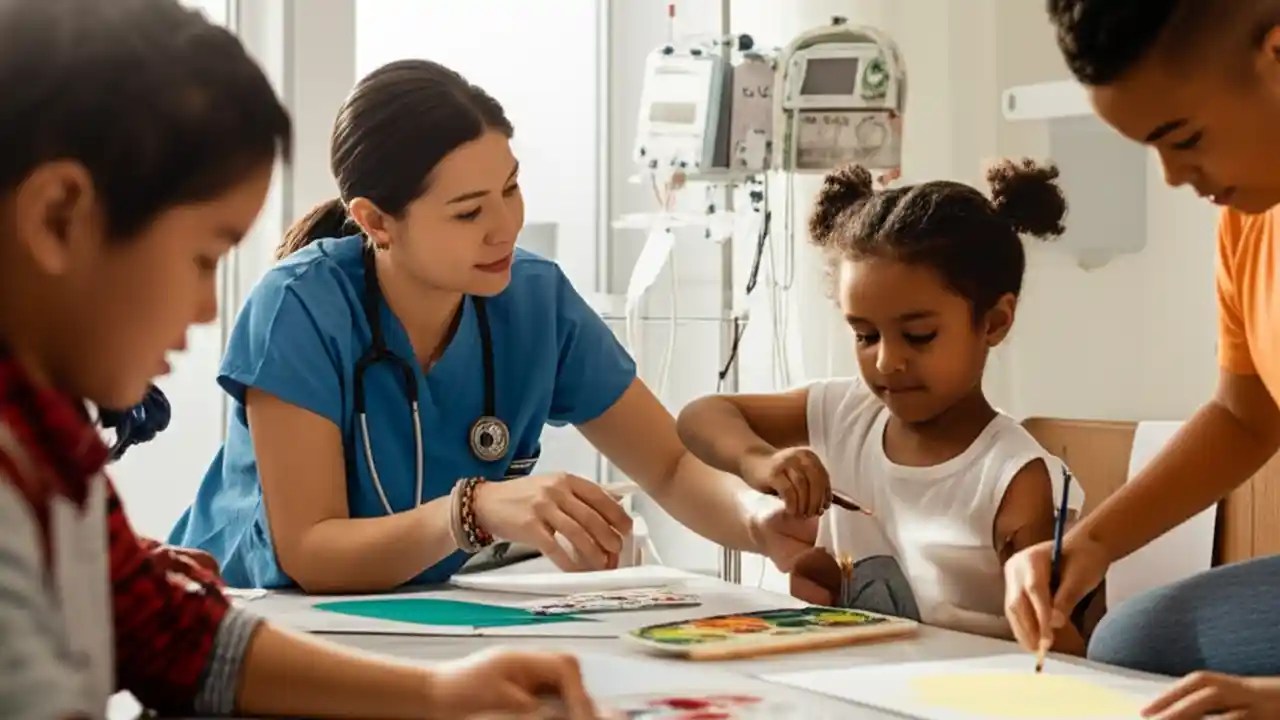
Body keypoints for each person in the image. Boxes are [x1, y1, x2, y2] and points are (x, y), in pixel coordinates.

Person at [0, 1, 602, 717]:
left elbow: (171, 636)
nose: (203, 309)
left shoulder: (48, 446)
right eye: (202, 259)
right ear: (57, 218)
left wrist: (442, 692)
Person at [169, 57, 810, 592]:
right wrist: (474, 510)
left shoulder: (533, 302)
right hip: (250, 615)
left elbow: (669, 465)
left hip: (409, 621)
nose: (505, 226)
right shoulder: (301, 309)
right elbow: (311, 550)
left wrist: (756, 520)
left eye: (511, 189)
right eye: (468, 211)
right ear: (375, 221)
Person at [677, 160, 1088, 648]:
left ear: (995, 322)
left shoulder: (1014, 477)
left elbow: (1061, 652)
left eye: (918, 336)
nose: (887, 361)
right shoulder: (843, 411)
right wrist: (760, 461)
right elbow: (699, 416)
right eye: (865, 335)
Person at [1005, 1, 1280, 717]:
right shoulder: (1248, 224)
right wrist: (1089, 545)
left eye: (1183, 138)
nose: (1169, 178)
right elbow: (1244, 416)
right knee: (1130, 642)